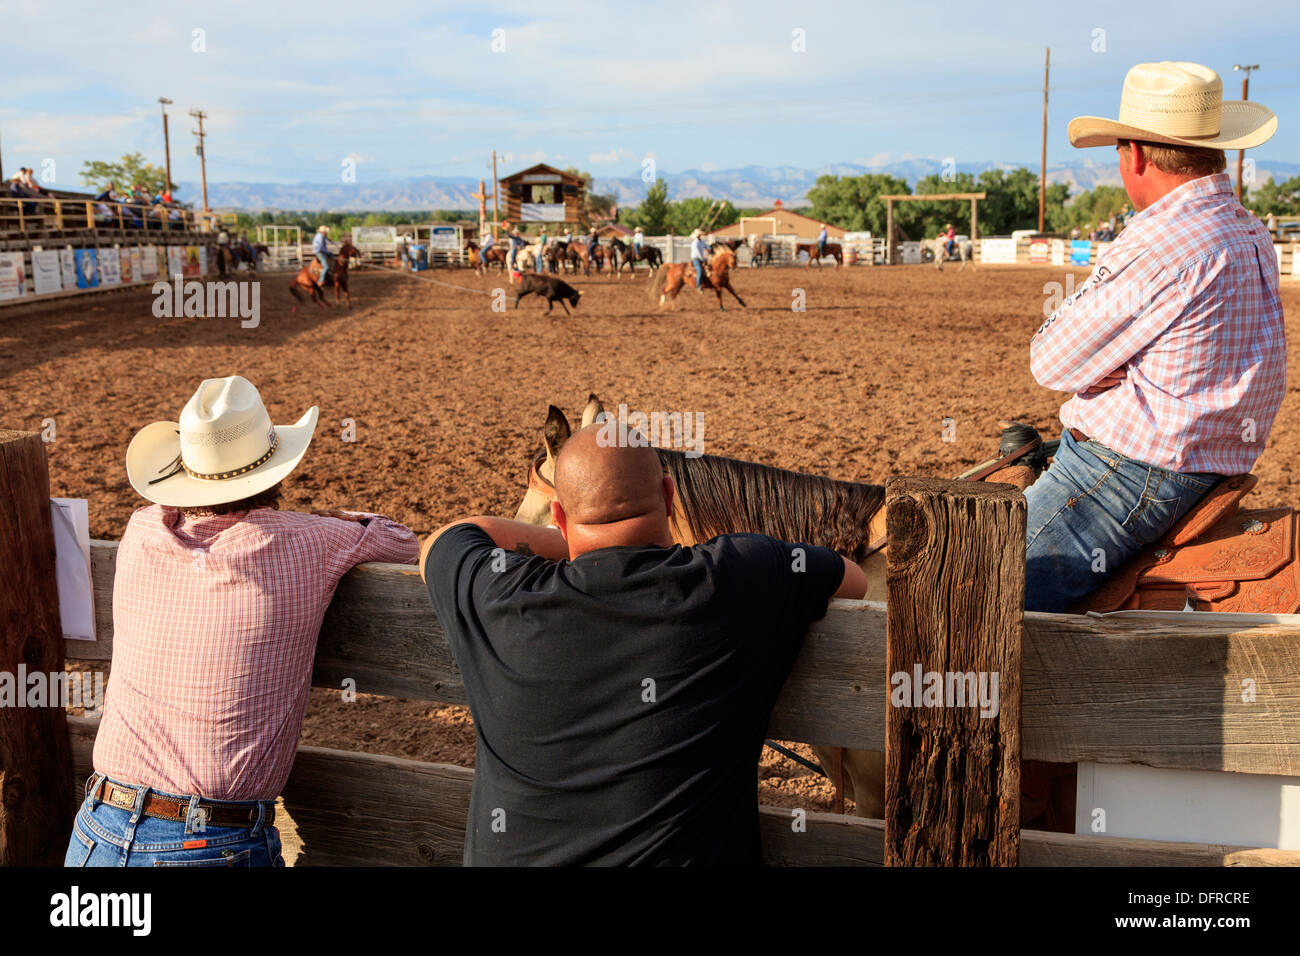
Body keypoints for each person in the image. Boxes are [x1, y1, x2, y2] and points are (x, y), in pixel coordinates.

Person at [420, 420, 867, 865]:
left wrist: (573, 539)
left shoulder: (499, 596)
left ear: (557, 516)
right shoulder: (739, 574)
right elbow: (855, 580)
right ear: (671, 497)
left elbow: (447, 537)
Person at [65, 375, 418, 866]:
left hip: (98, 826)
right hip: (208, 841)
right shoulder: (310, 539)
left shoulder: (143, 529)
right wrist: (332, 517)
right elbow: (401, 540)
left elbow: (166, 511)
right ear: (274, 471)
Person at [1023, 61, 1285, 613]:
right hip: (1209, 468)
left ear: (1135, 155)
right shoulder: (1250, 230)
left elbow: (1050, 361)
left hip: (1124, 475)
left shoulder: (1162, 240)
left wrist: (1104, 367)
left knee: (974, 590)